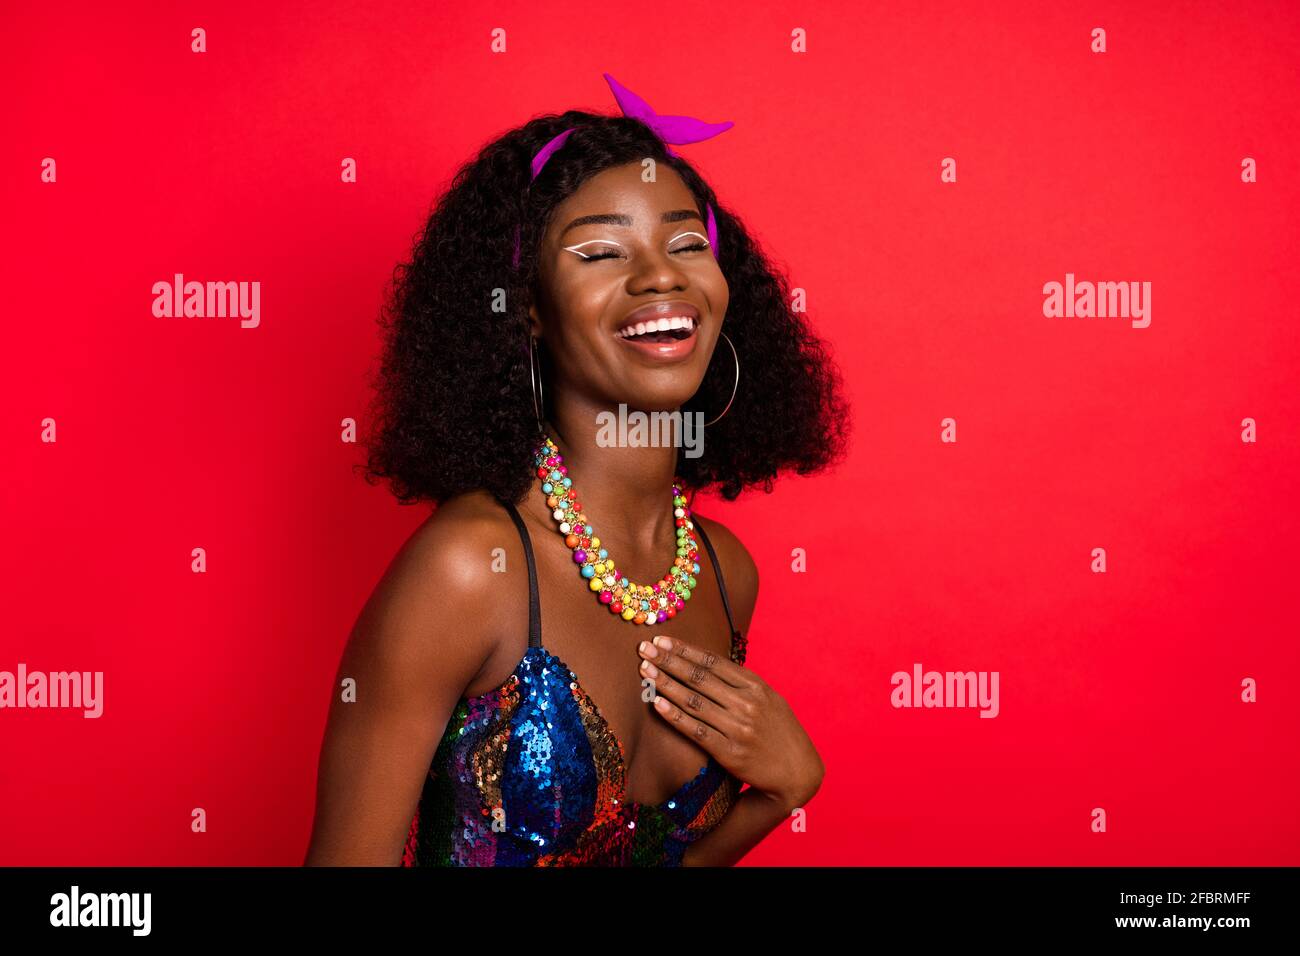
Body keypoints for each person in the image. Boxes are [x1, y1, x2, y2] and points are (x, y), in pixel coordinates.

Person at [304, 74, 850, 866]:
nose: (661, 275)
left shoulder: (724, 573)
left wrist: (783, 793)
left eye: (686, 242)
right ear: (526, 304)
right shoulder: (470, 568)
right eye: (600, 250)